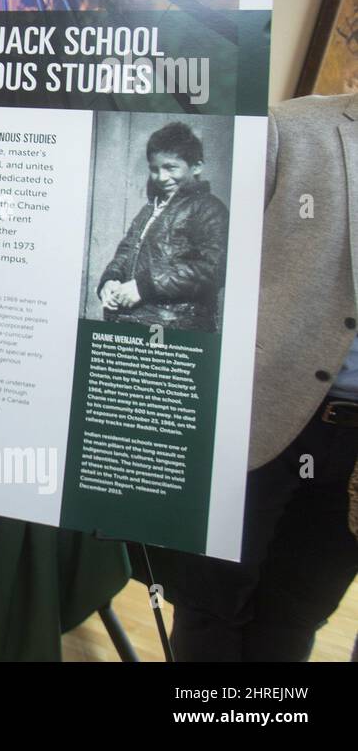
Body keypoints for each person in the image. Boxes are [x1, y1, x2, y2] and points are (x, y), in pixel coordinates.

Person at [155, 93, 358, 660]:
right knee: (209, 602)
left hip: (354, 454)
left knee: (299, 610)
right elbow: (213, 267)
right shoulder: (290, 130)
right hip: (261, 417)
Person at [97, 121, 230, 333]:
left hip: (177, 330)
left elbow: (214, 269)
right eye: (154, 169)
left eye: (170, 167)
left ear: (197, 166)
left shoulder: (209, 209)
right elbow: (126, 251)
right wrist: (111, 279)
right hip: (134, 323)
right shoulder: (149, 210)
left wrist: (145, 286)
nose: (161, 177)